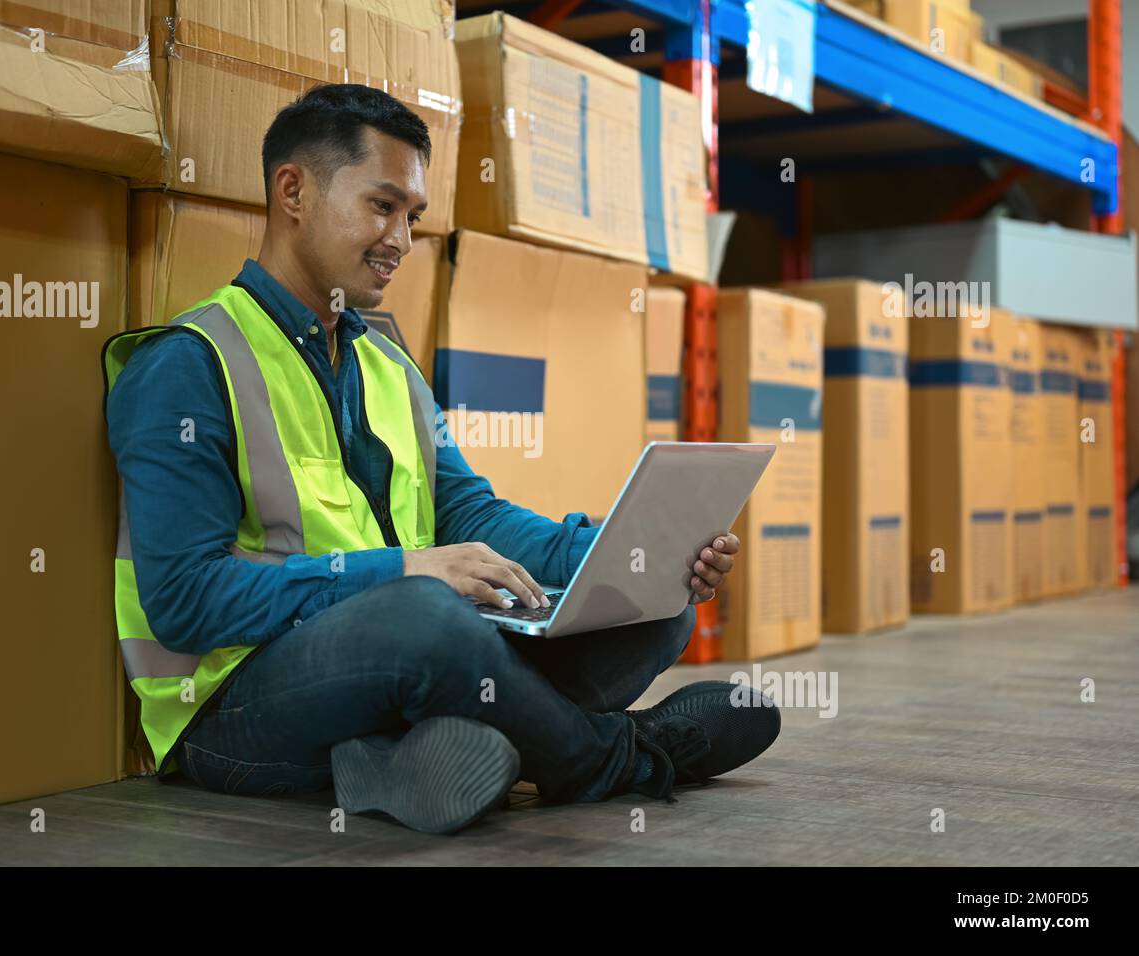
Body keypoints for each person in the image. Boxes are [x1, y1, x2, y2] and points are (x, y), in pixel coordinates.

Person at [103, 83, 780, 835]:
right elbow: (184, 600)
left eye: (413, 217)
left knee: (652, 610)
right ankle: (627, 757)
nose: (401, 238)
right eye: (383, 205)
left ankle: (418, 758)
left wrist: (621, 552)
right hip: (234, 708)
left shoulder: (388, 366)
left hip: (387, 662)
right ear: (292, 191)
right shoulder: (188, 365)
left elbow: (472, 515)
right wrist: (400, 572)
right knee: (429, 619)